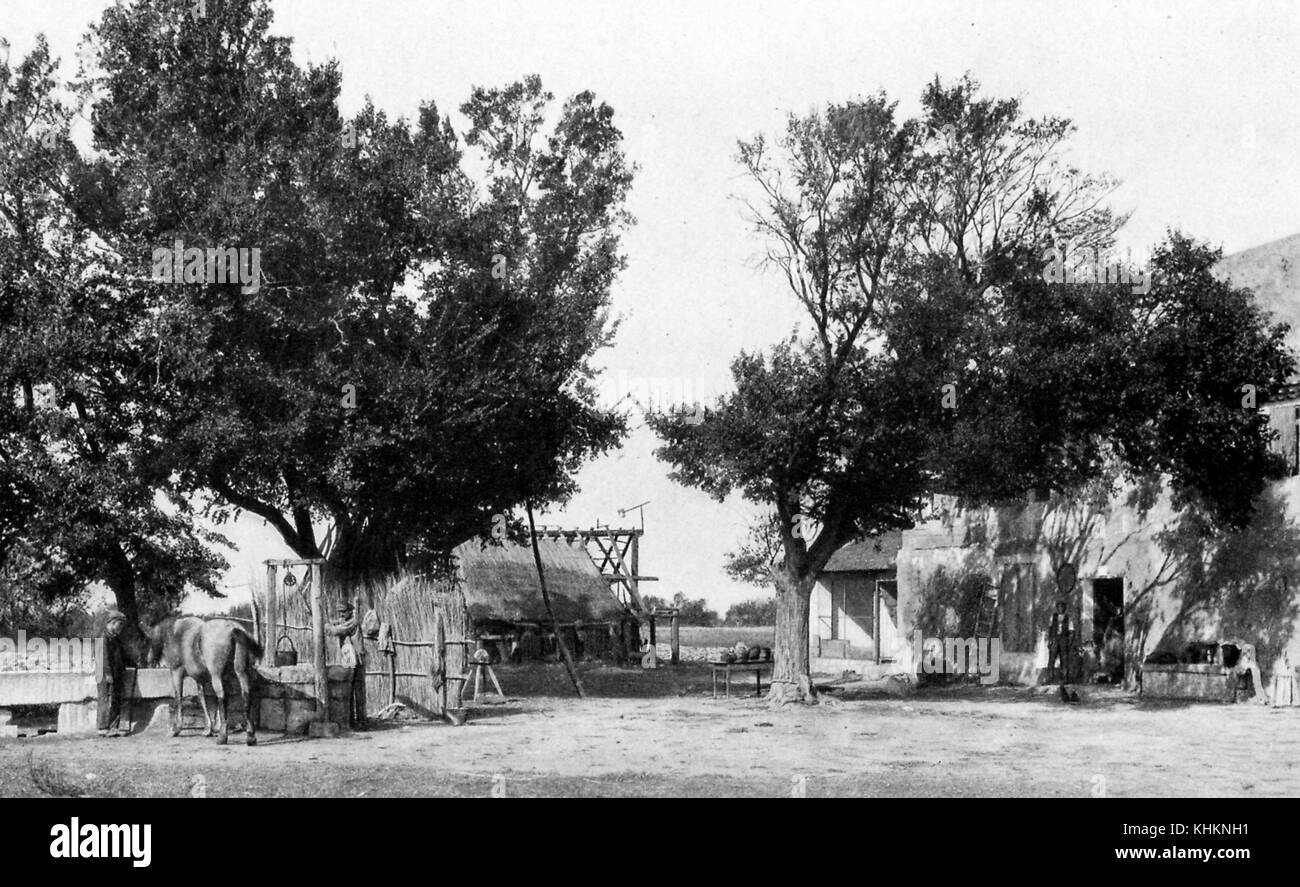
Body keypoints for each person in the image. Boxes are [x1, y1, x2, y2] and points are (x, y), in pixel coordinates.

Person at [98, 608, 138, 738]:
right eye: (119, 624)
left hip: (116, 674)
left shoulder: (116, 639)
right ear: (112, 623)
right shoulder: (103, 638)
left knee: (115, 699)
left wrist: (134, 664)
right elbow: (102, 658)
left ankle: (113, 726)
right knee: (106, 699)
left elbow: (123, 656)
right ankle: (103, 727)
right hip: (105, 674)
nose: (121, 628)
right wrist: (108, 674)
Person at [1047, 600, 1073, 684]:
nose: (1060, 609)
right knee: (1051, 659)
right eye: (1059, 607)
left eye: (1062, 607)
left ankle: (1065, 679)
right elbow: (1050, 629)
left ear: (1064, 608)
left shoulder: (1068, 618)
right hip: (1055, 639)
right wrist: (1050, 640)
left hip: (1063, 639)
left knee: (1064, 660)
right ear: (1057, 608)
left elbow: (1071, 631)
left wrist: (1069, 642)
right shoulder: (1053, 617)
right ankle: (1050, 678)